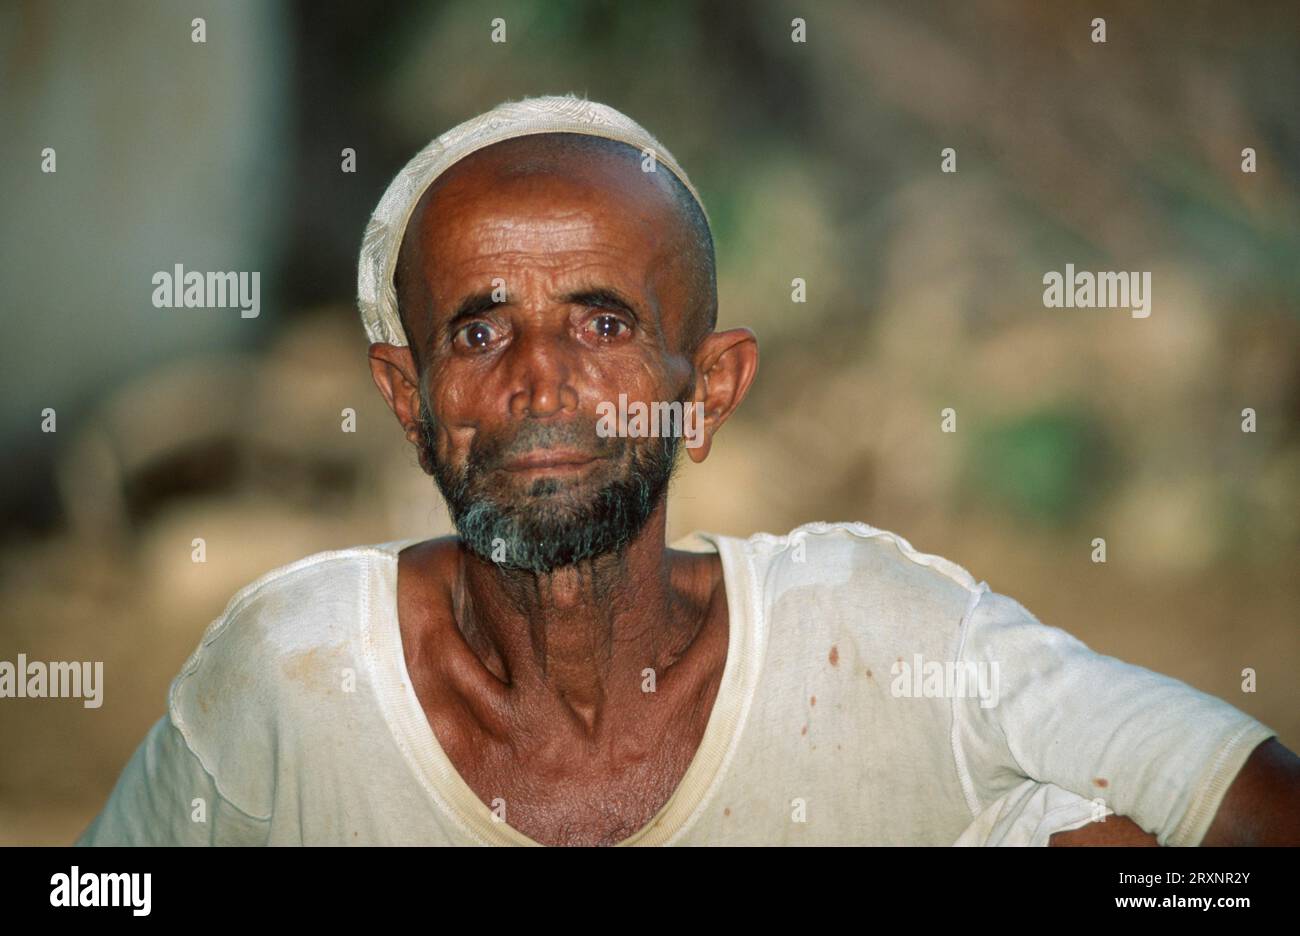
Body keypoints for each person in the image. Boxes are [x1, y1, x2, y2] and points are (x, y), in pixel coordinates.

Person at [77, 95, 1298, 846]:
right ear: (409, 401)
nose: (541, 383)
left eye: (603, 324)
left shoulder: (879, 639)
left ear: (707, 390)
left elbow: (1242, 800)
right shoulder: (293, 682)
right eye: (479, 329)